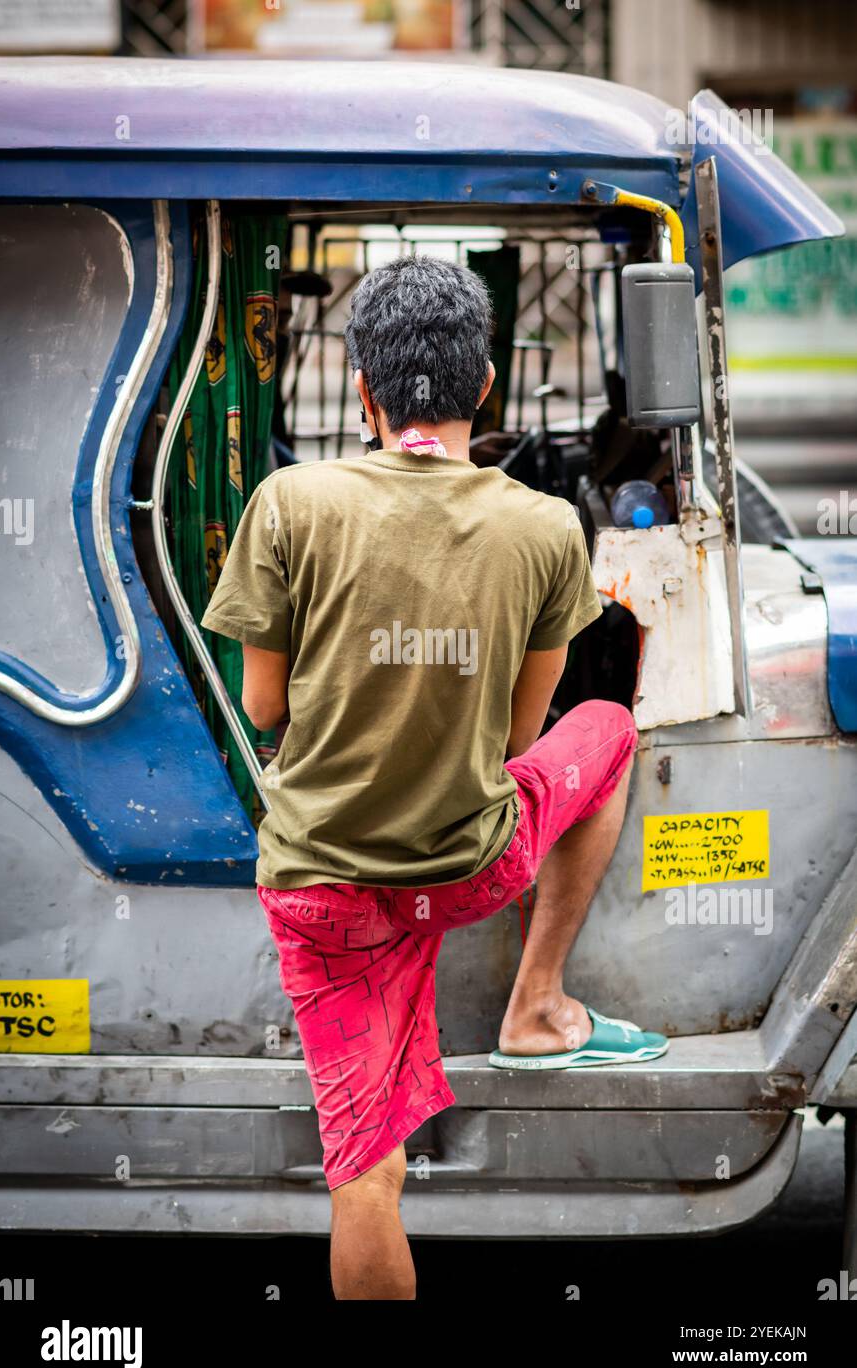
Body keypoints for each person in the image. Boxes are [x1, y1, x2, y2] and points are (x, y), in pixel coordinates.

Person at [200, 254, 667, 1300]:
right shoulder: (545, 528)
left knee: (363, 1179)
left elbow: (266, 710)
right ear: (486, 387)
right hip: (468, 865)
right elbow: (515, 729)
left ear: (361, 391)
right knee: (602, 724)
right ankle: (535, 1002)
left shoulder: (286, 505)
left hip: (321, 894)